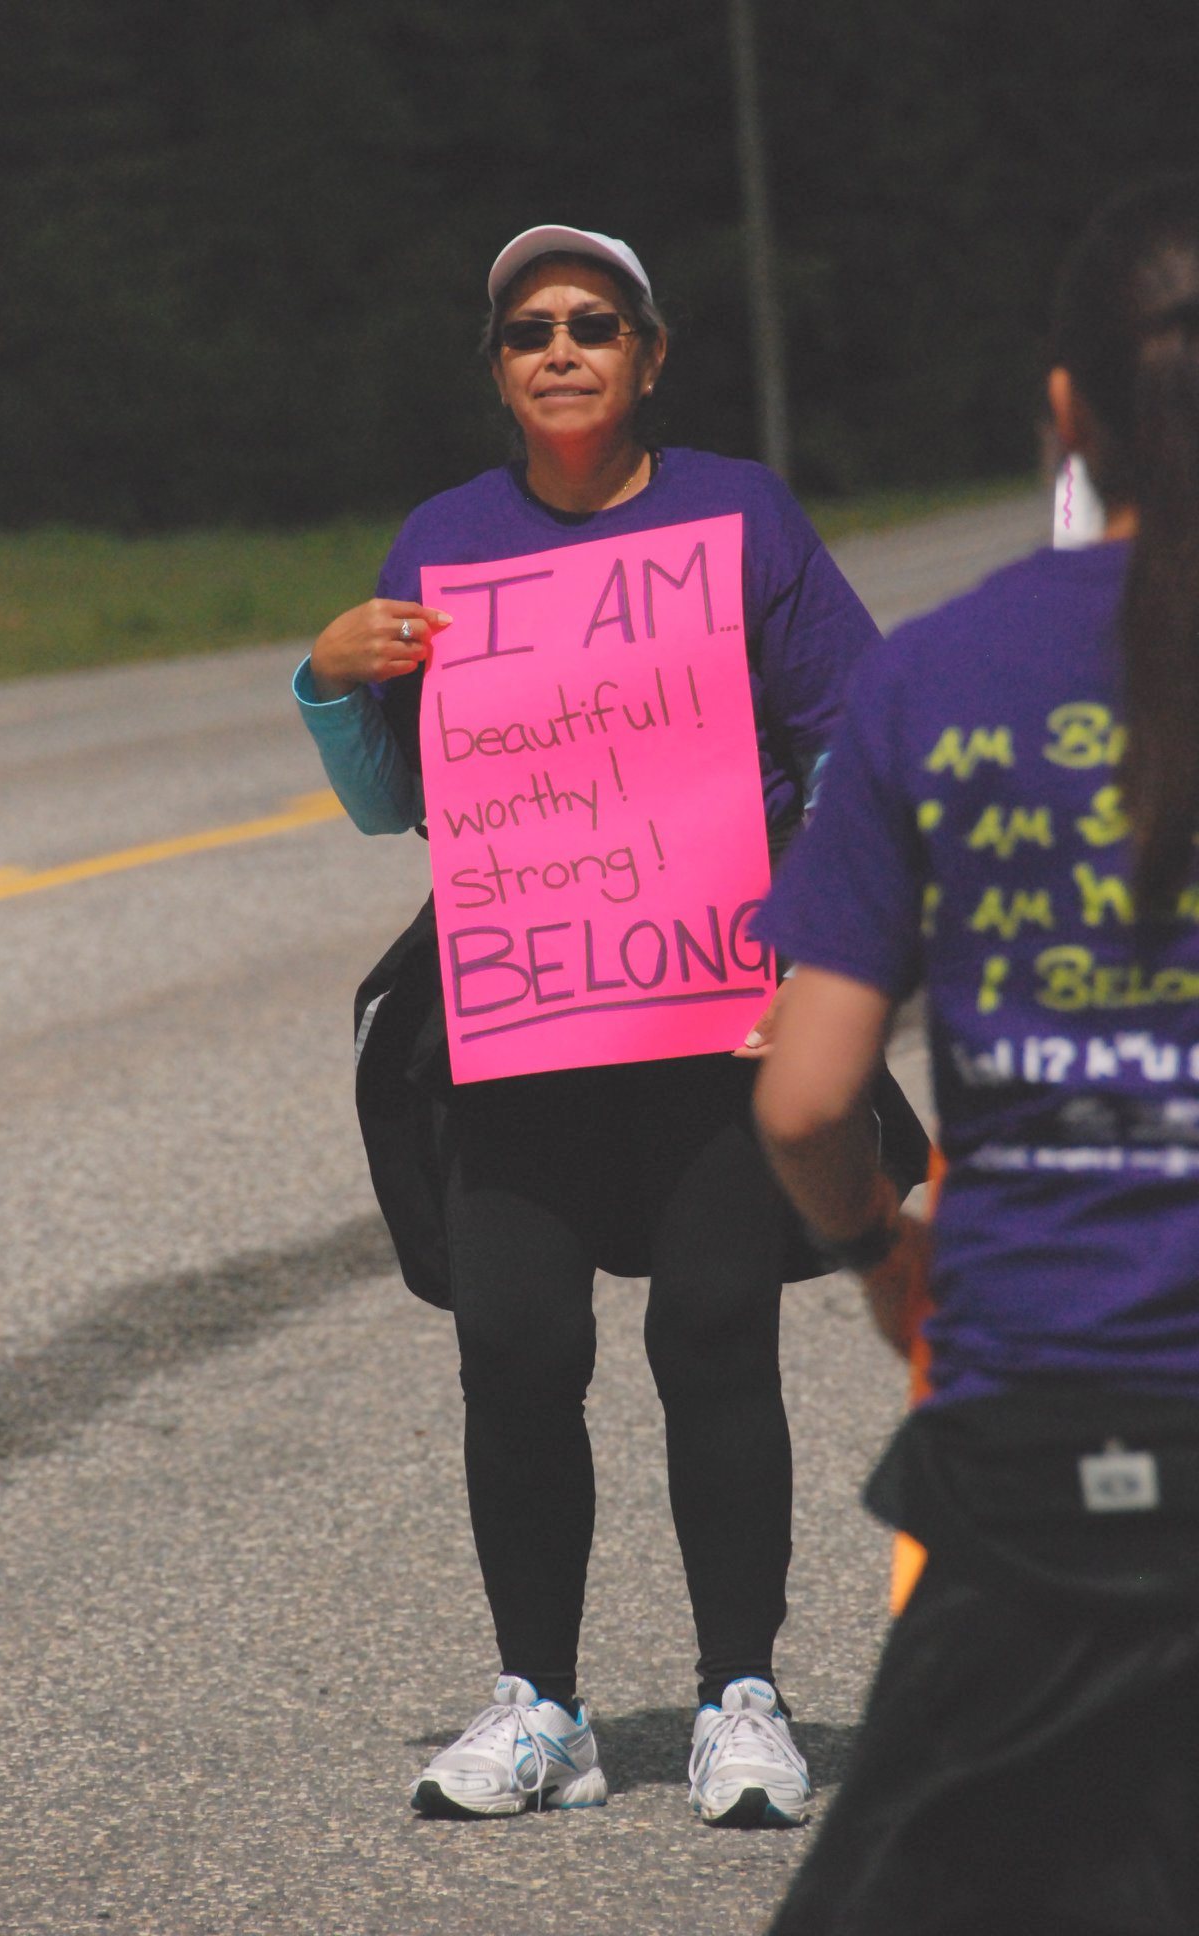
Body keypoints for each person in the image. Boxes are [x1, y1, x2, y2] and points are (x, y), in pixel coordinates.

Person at [294, 224, 888, 1825]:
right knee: (516, 1350)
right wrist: (329, 680)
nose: (560, 350)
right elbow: (390, 803)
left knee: (712, 1336)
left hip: (714, 1010)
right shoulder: (443, 538)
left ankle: (738, 1696)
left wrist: (825, 951)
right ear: (496, 368)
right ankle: (540, 1708)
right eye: (526, 331)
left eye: (593, 324)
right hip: (522, 1016)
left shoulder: (738, 514)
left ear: (650, 353)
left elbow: (853, 739)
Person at [753, 176, 1199, 1935]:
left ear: (1070, 409)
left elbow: (802, 1092)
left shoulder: (935, 676)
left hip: (1039, 1432)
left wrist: (879, 1249)